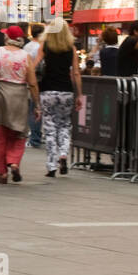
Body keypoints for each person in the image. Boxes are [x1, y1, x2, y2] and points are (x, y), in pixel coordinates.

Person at [0, 26, 40, 183]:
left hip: (0, 94)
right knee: (19, 132)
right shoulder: (25, 56)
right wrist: (37, 104)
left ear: (7, 37)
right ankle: (14, 162)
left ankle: (2, 172)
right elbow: (33, 83)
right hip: (19, 95)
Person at [35, 18, 82, 178]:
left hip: (48, 91)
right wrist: (79, 94)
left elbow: (35, 66)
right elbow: (76, 72)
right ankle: (63, 154)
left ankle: (51, 165)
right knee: (64, 125)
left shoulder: (45, 46)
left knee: (49, 128)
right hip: (66, 91)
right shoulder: (71, 48)